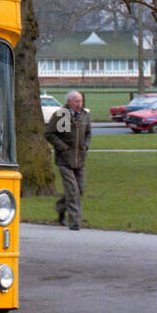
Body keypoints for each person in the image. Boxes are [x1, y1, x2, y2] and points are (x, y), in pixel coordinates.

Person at [45, 90, 90, 230]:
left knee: (79, 189)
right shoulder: (60, 115)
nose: (79, 104)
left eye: (81, 101)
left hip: (80, 159)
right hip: (64, 160)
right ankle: (75, 221)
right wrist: (62, 146)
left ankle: (60, 207)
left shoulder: (85, 115)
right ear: (69, 102)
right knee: (72, 190)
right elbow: (49, 133)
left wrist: (86, 145)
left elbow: (88, 133)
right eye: (76, 101)